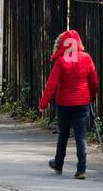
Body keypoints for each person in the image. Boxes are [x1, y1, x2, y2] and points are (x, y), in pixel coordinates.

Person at [39, 28, 99, 179]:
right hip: (81, 103)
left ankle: (58, 164)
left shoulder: (60, 61)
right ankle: (81, 169)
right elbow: (94, 82)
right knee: (81, 136)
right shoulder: (87, 58)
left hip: (64, 104)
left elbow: (51, 84)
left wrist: (43, 103)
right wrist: (91, 97)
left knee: (63, 135)